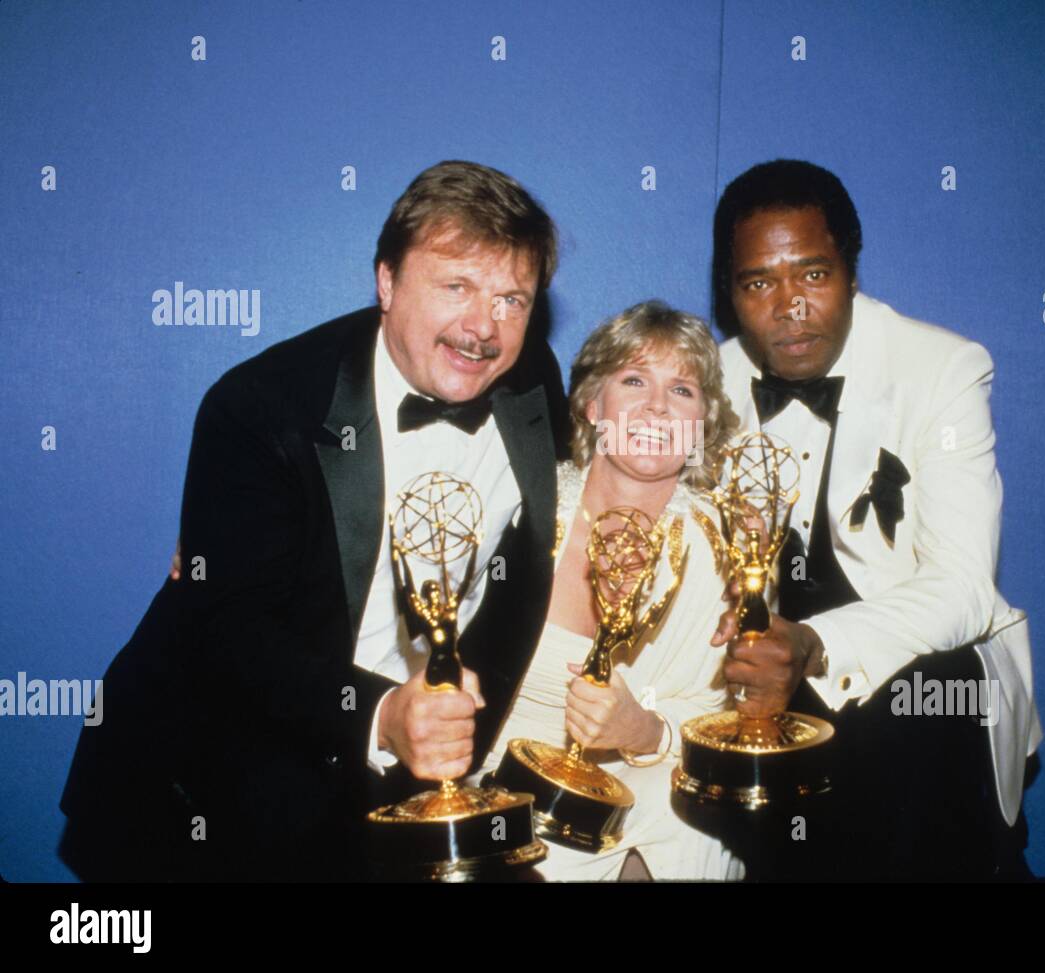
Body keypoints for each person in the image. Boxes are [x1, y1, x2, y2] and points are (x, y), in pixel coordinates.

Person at [59, 161, 570, 881]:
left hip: (391, 789)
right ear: (387, 282)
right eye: (455, 285)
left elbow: (549, 533)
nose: (483, 327)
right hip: (204, 787)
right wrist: (383, 713)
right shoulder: (258, 409)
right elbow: (227, 631)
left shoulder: (530, 381)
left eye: (512, 299)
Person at [708, 159, 1044, 880]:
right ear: (729, 291)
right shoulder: (704, 380)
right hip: (760, 681)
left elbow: (962, 588)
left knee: (925, 698)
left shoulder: (941, 367)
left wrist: (813, 645)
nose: (790, 307)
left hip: (914, 681)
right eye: (759, 282)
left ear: (852, 272)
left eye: (814, 275)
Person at [475, 301, 743, 881]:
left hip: (639, 785)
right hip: (501, 791)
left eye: (682, 391)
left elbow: (712, 719)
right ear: (594, 404)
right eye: (634, 380)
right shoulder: (523, 511)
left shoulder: (719, 549)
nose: (655, 406)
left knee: (691, 814)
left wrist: (644, 731)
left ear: (702, 424)